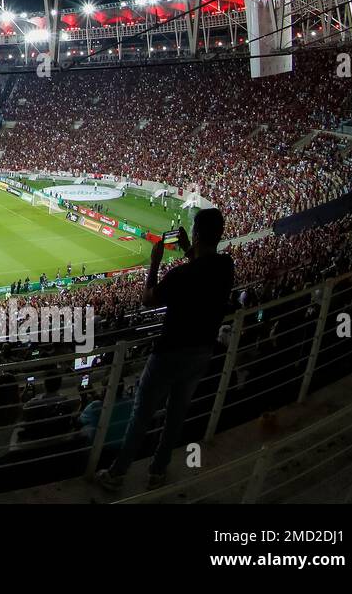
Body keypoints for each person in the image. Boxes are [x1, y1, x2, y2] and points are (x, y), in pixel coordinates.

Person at [97, 208, 234, 491]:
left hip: (170, 351)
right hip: (201, 352)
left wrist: (154, 264)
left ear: (196, 234)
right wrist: (187, 249)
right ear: (219, 235)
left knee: (141, 415)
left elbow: (148, 299)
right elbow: (204, 268)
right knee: (175, 417)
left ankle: (117, 473)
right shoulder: (226, 267)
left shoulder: (181, 274)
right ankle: (158, 471)